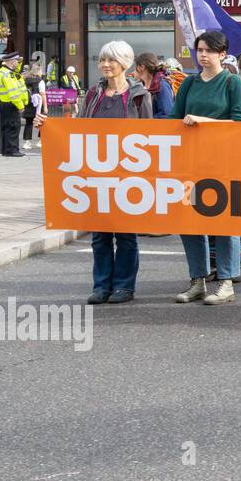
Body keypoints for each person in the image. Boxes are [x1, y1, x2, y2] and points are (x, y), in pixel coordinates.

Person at [171, 30, 241, 306]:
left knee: (224, 221)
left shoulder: (232, 83)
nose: (203, 55)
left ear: (222, 54)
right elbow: (174, 120)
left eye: (208, 50)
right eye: (199, 50)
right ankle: (198, 281)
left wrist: (203, 121)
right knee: (190, 222)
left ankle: (227, 281)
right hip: (191, 161)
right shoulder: (189, 84)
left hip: (224, 161)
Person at [76, 41, 153, 304]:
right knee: (100, 236)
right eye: (102, 60)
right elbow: (78, 131)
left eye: (112, 60)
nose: (106, 65)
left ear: (126, 64)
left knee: (126, 235)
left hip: (128, 175)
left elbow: (149, 135)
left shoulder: (140, 95)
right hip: (97, 174)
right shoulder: (93, 95)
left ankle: (123, 287)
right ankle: (101, 286)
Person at [0, 53, 27, 156]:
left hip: (4, 104)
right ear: (11, 62)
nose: (18, 63)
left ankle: (6, 150)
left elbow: (17, 70)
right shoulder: (8, 74)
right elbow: (13, 92)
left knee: (6, 128)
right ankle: (12, 151)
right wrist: (20, 106)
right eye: (16, 61)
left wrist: (19, 60)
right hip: (11, 104)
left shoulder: (3, 72)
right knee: (13, 128)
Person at [131, 53, 175, 119]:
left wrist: (146, 121)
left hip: (157, 128)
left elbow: (166, 114)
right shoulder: (141, 86)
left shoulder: (162, 86)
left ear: (142, 67)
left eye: (136, 67)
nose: (134, 70)